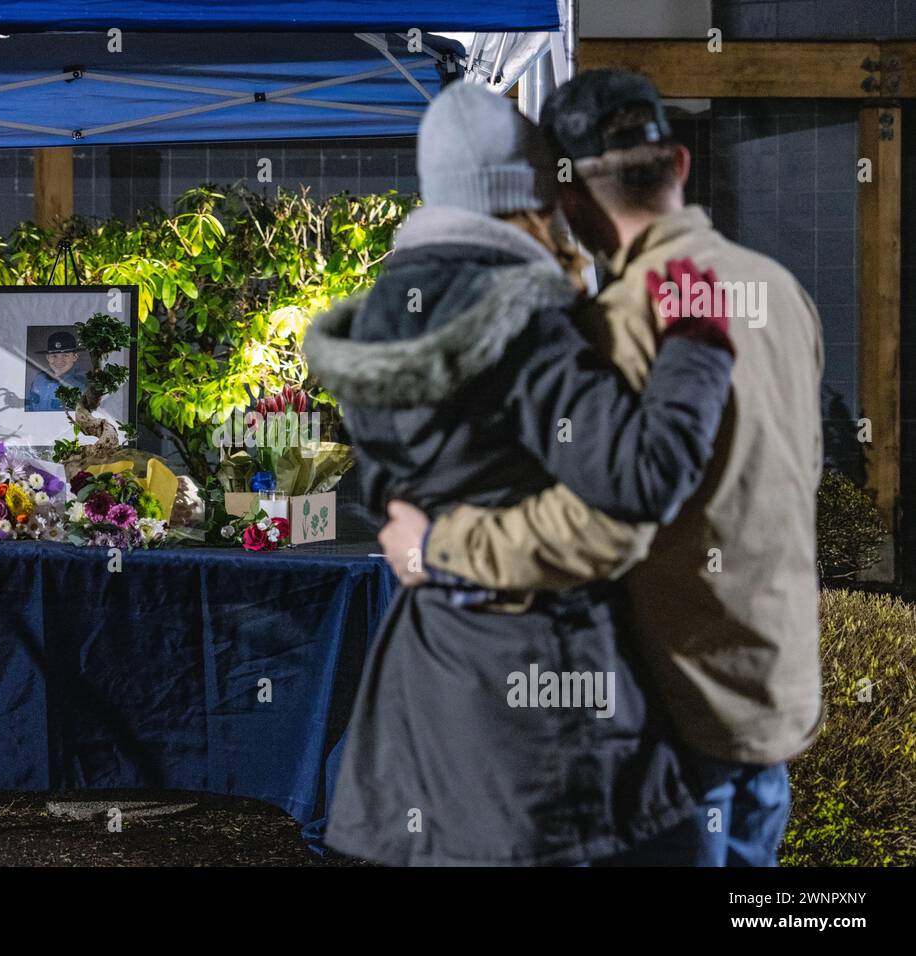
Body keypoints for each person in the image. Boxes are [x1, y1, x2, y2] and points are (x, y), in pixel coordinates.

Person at [379, 71, 824, 866]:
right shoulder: (779, 290)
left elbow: (601, 532)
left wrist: (437, 546)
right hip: (775, 700)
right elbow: (801, 478)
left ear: (571, 201)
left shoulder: (617, 326)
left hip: (674, 726)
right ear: (679, 167)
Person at [303, 81, 734, 866]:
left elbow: (386, 498)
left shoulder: (378, 314)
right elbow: (643, 473)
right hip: (538, 678)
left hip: (427, 669)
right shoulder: (521, 319)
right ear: (531, 199)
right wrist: (699, 340)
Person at [26, 330, 88, 411]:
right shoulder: (39, 378)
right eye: (54, 355)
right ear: (47, 357)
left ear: (75, 357)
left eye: (65, 355)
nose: (59, 361)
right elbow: (29, 406)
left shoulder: (83, 383)